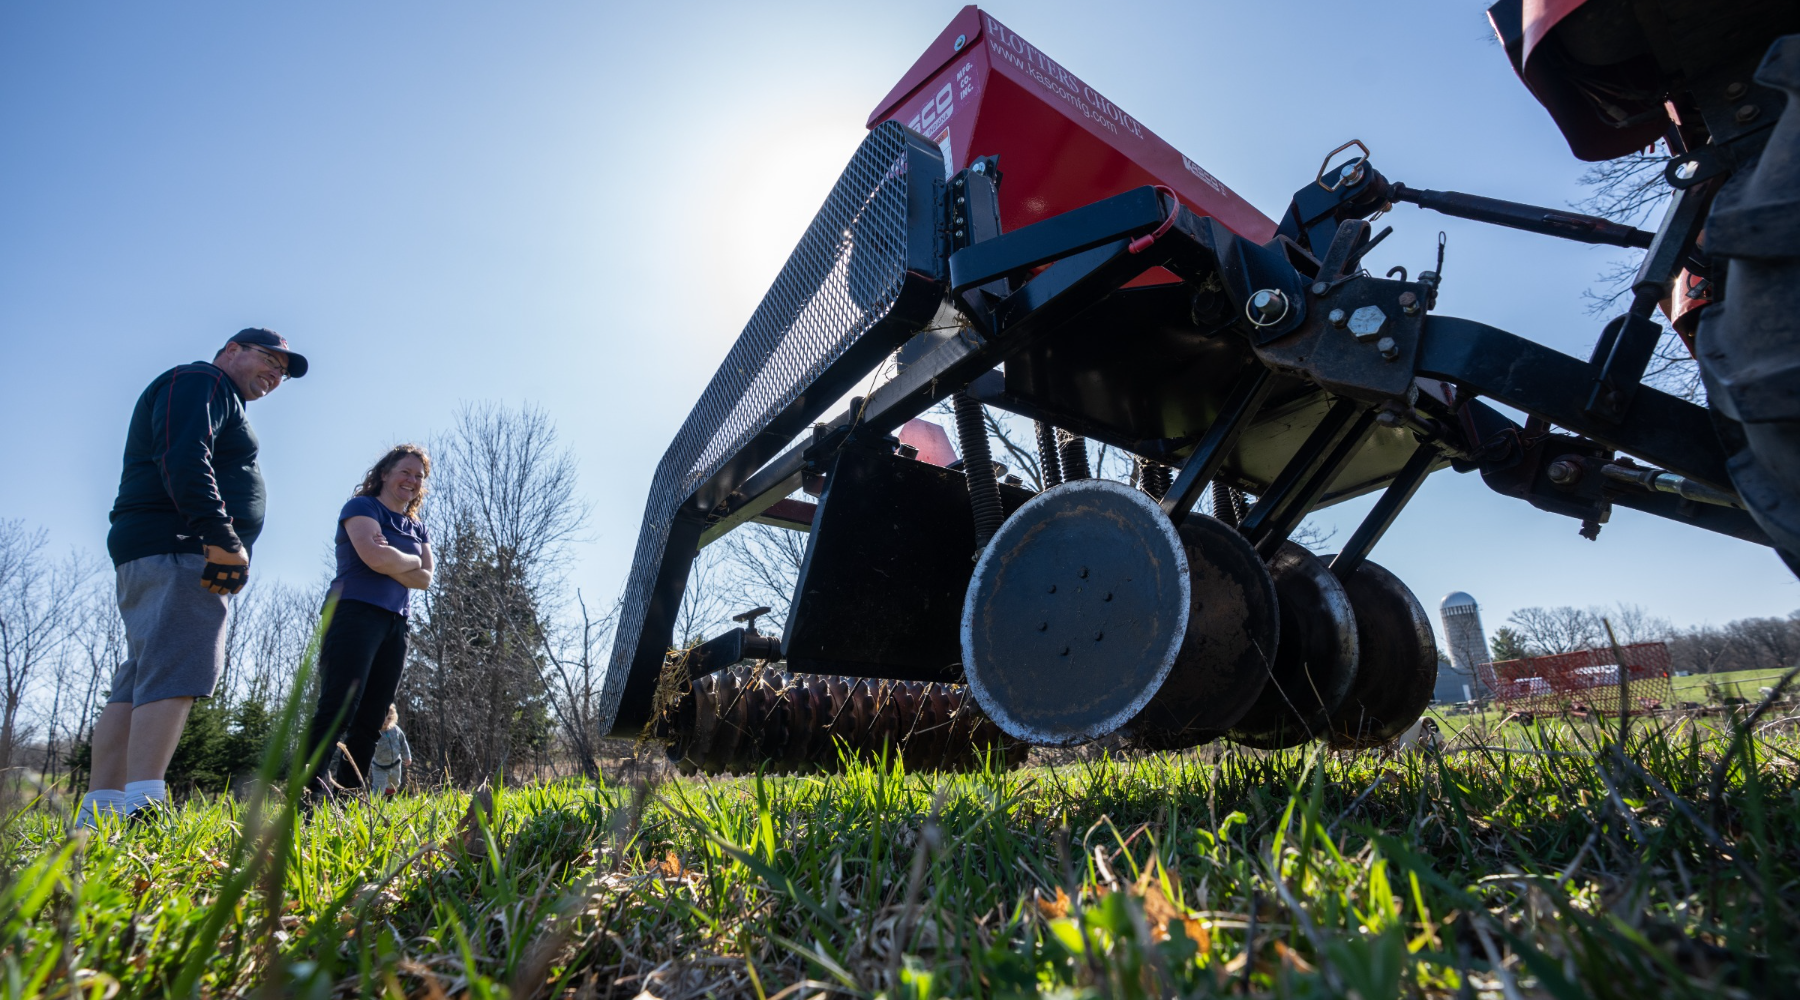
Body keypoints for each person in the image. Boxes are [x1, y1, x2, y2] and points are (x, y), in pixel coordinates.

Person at [79, 328, 309, 828]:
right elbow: (183, 454)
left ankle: (99, 811)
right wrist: (219, 534)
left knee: (141, 674)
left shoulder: (214, 392)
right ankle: (143, 803)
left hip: (157, 544)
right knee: (177, 665)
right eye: (269, 360)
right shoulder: (201, 381)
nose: (275, 374)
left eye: (283, 372)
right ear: (231, 351)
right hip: (182, 544)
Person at [303, 444, 433, 801]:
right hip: (354, 612)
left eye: (419, 476)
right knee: (338, 708)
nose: (412, 480)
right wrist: (406, 560)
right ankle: (306, 793)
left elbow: (425, 579)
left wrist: (395, 557)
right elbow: (374, 558)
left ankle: (347, 799)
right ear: (385, 473)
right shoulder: (362, 507)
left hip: (396, 624)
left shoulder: (416, 526)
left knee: (373, 717)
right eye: (405, 472)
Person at [368, 704, 413, 796]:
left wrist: (407, 756)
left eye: (388, 718)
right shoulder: (374, 732)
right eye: (382, 718)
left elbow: (403, 743)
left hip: (396, 763)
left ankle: (388, 799)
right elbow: (367, 747)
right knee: (378, 789)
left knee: (395, 784)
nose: (385, 721)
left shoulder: (396, 730)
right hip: (379, 766)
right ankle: (370, 805)